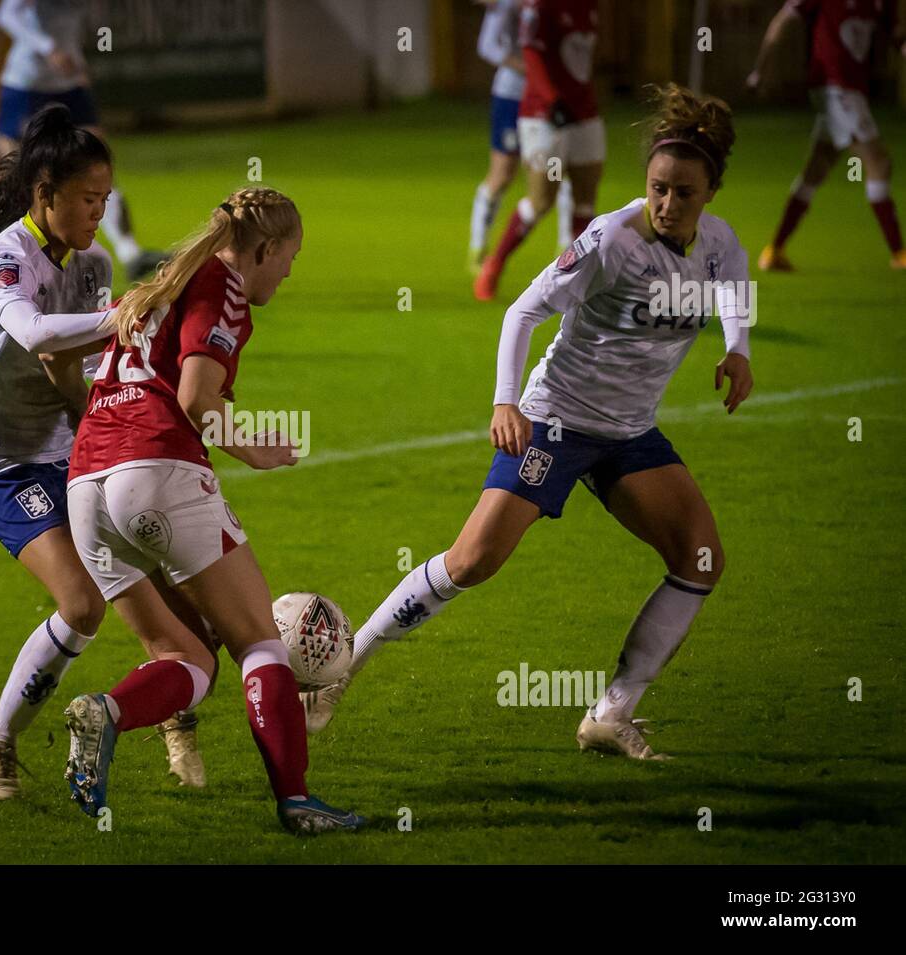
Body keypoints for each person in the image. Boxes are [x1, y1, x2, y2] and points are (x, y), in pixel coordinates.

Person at [305, 86, 754, 761]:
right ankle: (338, 673)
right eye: (658, 188)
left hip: (629, 433)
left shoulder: (719, 245)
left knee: (700, 558)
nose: (666, 204)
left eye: (683, 193)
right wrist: (505, 401)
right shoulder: (610, 240)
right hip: (558, 419)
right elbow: (522, 311)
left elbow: (732, 292)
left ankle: (611, 713)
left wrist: (738, 348)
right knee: (472, 560)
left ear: (710, 192)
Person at [58, 187, 367, 834]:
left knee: (190, 657)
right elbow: (198, 396)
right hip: (155, 469)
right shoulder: (221, 286)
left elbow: (59, 353)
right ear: (267, 248)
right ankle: (299, 802)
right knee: (259, 640)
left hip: (86, 484)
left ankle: (107, 711)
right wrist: (252, 448)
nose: (289, 271)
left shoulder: (159, 285)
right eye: (291, 257)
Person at [0, 105, 204, 799]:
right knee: (83, 604)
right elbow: (37, 335)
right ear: (45, 193)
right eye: (88, 199)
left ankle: (175, 711)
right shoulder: (5, 263)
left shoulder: (90, 262)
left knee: (174, 570)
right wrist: (122, 313)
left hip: (75, 444)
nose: (100, 212)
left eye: (106, 199)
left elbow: (78, 366)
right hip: (6, 461)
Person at [0, 0, 165, 280]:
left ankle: (130, 253)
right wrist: (48, 47)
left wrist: (77, 60)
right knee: (17, 171)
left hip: (68, 84)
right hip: (26, 83)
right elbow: (6, 14)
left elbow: (69, 26)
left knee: (98, 161)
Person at [748, 0, 905, 271]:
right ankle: (899, 254)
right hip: (836, 88)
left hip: (850, 91)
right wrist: (762, 69)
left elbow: (897, 35)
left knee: (816, 170)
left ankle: (774, 251)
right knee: (879, 162)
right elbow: (783, 22)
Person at [474, 0, 602, 301]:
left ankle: (572, 281)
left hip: (584, 111)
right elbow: (531, 54)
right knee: (541, 201)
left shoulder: (591, 6)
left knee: (585, 202)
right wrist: (551, 99)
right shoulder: (540, 6)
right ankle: (494, 264)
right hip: (543, 114)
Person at [468, 0, 573, 274]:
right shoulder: (510, 5)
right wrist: (530, 69)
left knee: (560, 170)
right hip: (512, 96)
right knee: (503, 174)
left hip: (549, 98)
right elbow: (487, 46)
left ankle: (568, 248)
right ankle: (479, 250)